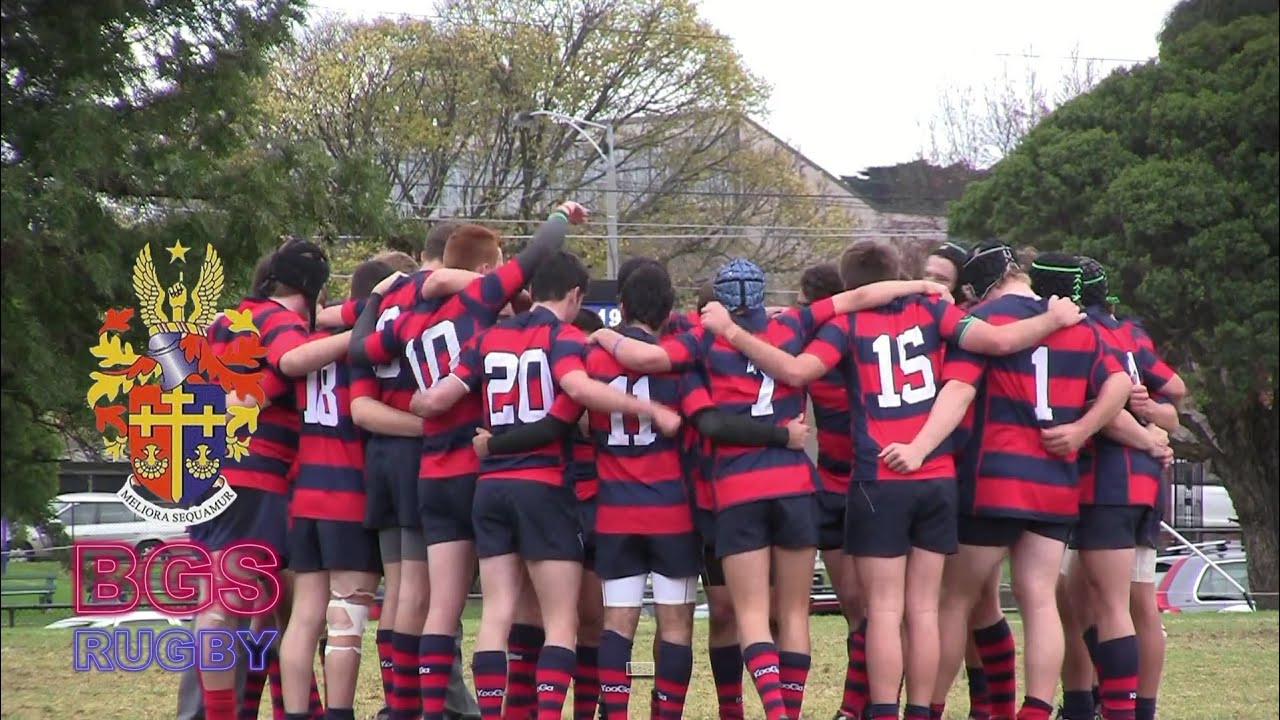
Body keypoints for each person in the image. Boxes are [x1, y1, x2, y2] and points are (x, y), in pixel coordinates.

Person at [699, 242, 1088, 720]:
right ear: (896, 274)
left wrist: (737, 333)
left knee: (883, 611)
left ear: (852, 286)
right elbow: (998, 342)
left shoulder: (846, 324)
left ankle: (881, 710)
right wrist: (1052, 320)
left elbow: (795, 369)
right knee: (924, 610)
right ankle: (922, 711)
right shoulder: (932, 311)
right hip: (937, 476)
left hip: (879, 475)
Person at [593, 257, 943, 720]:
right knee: (795, 614)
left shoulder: (702, 340)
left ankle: (775, 713)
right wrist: (921, 284)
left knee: (753, 616)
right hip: (796, 485)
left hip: (737, 489)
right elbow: (857, 297)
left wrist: (601, 334)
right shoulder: (793, 323)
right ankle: (790, 715)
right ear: (763, 293)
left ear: (718, 297)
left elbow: (641, 358)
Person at [410, 250, 683, 720]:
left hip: (490, 488)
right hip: (543, 483)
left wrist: (416, 400)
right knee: (562, 619)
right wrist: (649, 410)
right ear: (575, 295)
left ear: (531, 290)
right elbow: (578, 391)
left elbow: (434, 400)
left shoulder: (488, 337)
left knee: (496, 611)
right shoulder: (564, 337)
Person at [871, 244, 1129, 720]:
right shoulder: (1073, 320)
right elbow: (1118, 383)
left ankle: (930, 707)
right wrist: (1081, 429)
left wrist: (921, 446)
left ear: (977, 287)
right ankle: (1035, 709)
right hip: (1054, 482)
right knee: (1039, 599)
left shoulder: (986, 323)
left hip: (992, 480)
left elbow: (959, 390)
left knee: (954, 602)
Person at [353, 205, 585, 720]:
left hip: (430, 472)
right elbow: (540, 252)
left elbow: (359, 350)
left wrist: (375, 298)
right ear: (484, 272)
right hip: (483, 467)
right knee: (520, 602)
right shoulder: (480, 304)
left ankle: (430, 712)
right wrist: (560, 215)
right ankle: (521, 709)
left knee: (443, 607)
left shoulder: (409, 318)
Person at [343, 222, 482, 720]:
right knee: (427, 595)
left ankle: (398, 705)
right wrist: (434, 431)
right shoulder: (442, 305)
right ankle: (423, 707)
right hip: (424, 453)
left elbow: (360, 404)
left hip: (380, 460)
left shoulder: (377, 312)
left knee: (403, 591)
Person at [1051, 255, 1179, 720]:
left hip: (1112, 479)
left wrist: (1149, 430)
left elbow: (1110, 405)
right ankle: (1094, 701)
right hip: (1135, 479)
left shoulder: (1087, 335)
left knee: (1122, 603)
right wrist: (1158, 422)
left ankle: (1125, 708)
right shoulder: (1131, 332)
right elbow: (1176, 395)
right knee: (1080, 597)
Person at [279, 260, 403, 720]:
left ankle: (294, 713)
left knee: (305, 617)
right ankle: (339, 713)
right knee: (346, 616)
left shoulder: (311, 343)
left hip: (306, 492)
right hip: (348, 493)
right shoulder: (366, 349)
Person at [789, 262, 870, 720]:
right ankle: (853, 707)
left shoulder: (842, 341)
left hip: (861, 482)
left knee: (868, 612)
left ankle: (857, 706)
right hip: (838, 481)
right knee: (860, 611)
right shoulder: (819, 342)